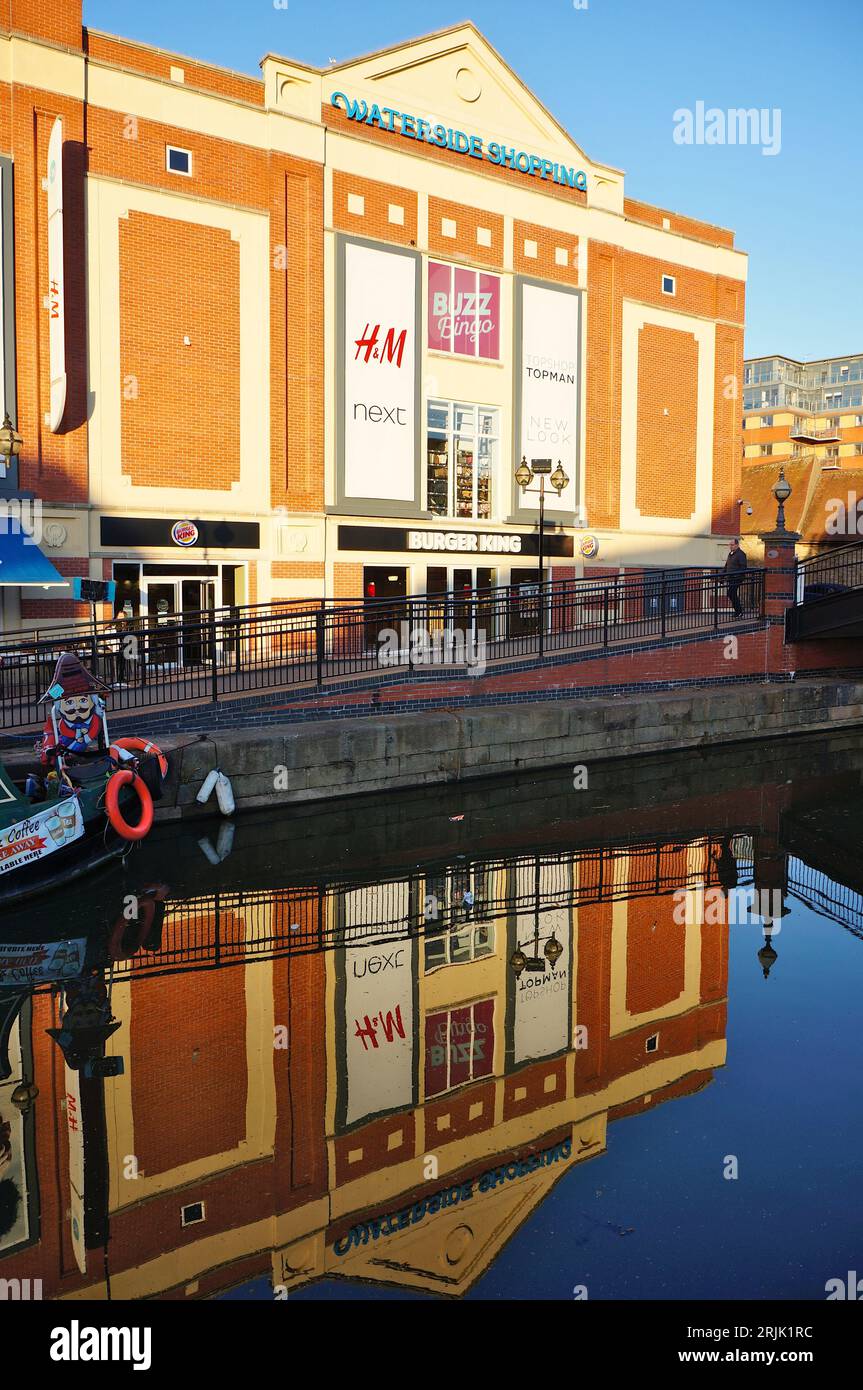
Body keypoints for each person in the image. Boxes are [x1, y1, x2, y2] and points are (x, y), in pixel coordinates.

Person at [724, 538, 748, 617]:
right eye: (730, 545)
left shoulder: (741, 554)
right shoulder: (730, 554)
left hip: (737, 578)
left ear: (737, 545)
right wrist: (722, 576)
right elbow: (727, 566)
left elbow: (743, 567)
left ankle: (739, 611)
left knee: (731, 593)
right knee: (731, 594)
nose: (730, 546)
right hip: (730, 577)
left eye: (732, 545)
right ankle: (738, 611)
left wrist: (736, 575)